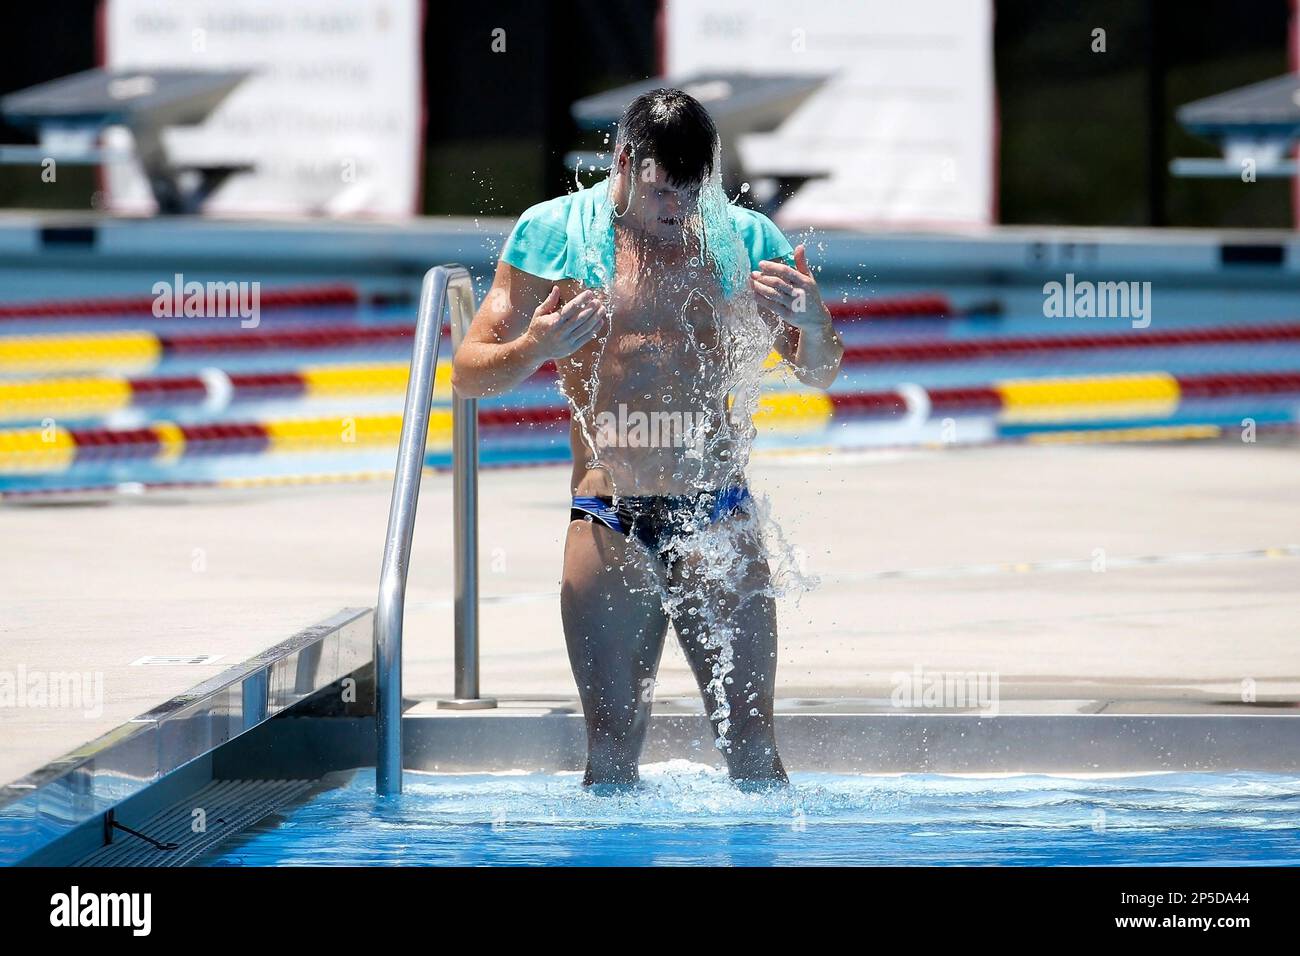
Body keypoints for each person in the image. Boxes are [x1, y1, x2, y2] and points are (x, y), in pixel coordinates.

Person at [452, 88, 843, 789]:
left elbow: (820, 372)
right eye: (665, 192)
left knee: (756, 756)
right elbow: (469, 375)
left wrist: (813, 323)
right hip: (609, 521)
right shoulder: (554, 233)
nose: (678, 212)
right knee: (609, 760)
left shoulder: (743, 239)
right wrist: (535, 345)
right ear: (626, 163)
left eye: (693, 194)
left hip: (718, 515)